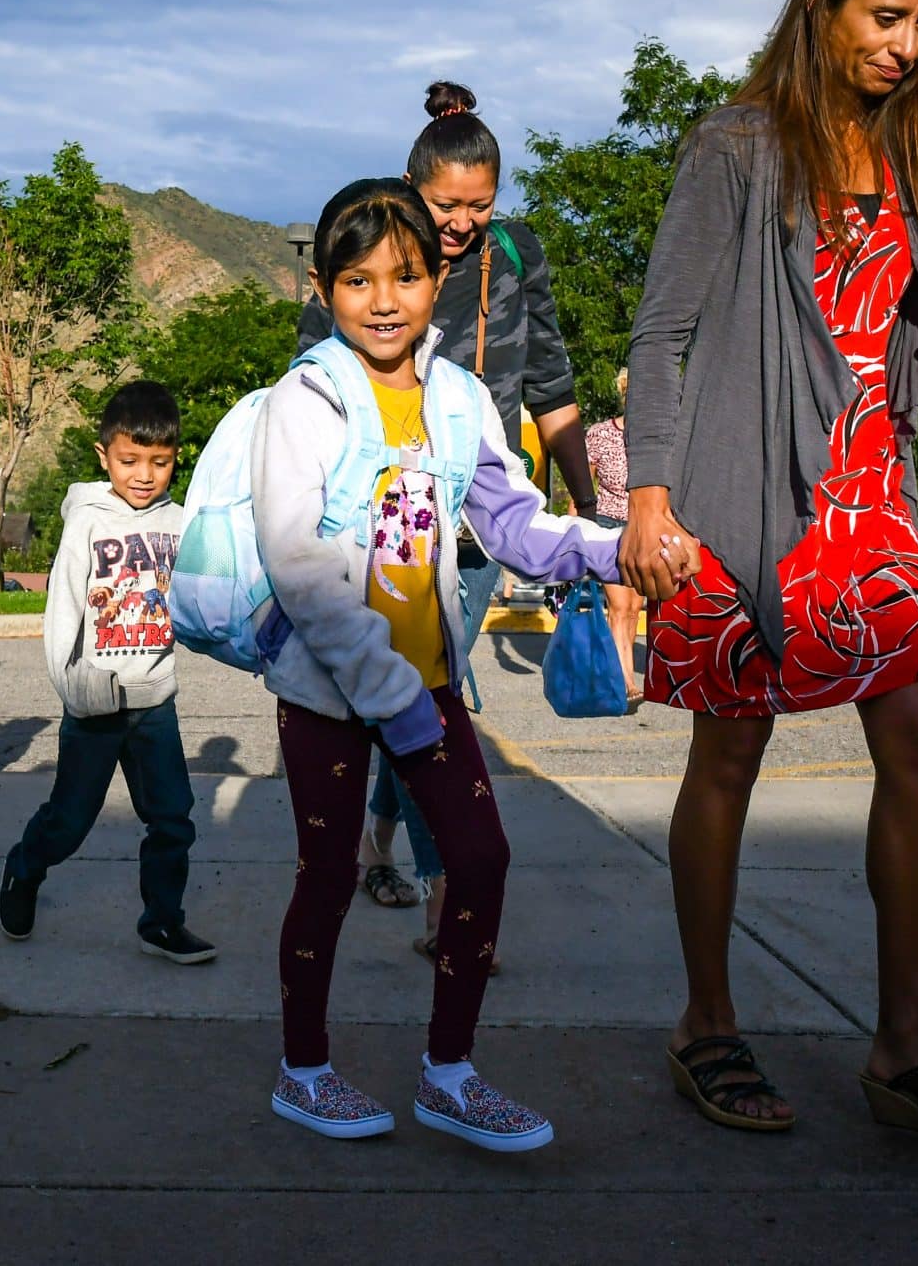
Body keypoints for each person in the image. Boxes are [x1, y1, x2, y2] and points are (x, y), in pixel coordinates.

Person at [621, 0, 918, 1147]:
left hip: (869, 494)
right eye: (886, 16)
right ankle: (705, 1018)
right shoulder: (736, 148)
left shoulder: (909, 158)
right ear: (822, 4)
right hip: (743, 492)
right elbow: (662, 334)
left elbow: (881, 353)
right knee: (731, 752)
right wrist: (648, 497)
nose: (907, 45)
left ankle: (905, 1041)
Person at [253, 178, 683, 1150]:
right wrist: (394, 704)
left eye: (402, 273)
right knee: (324, 876)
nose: (383, 296)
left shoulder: (453, 398)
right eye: (356, 277)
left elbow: (511, 520)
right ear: (324, 288)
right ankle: (303, 1069)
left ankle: (447, 1072)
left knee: (480, 857)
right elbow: (299, 568)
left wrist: (614, 547)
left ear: (432, 276)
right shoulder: (302, 401)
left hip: (428, 678)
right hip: (327, 689)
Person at [299, 83, 596, 954]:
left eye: (479, 204)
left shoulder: (516, 253)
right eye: (444, 205)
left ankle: (380, 838)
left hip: (480, 518)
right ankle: (447, 899)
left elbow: (550, 380)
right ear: (410, 185)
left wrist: (584, 498)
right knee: (431, 699)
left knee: (426, 695)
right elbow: (310, 374)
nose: (461, 223)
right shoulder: (372, 253)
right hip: (387, 522)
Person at [0, 381, 213, 967]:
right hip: (92, 703)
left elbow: (198, 599)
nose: (144, 474)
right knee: (69, 821)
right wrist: (77, 685)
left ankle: (161, 923)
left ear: (175, 459)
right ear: (103, 456)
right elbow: (63, 609)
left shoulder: (182, 522)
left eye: (160, 462)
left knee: (172, 818)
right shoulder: (87, 522)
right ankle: (24, 868)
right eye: (129, 460)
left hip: (154, 703)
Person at [583, 367, 643, 710]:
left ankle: (618, 673)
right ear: (625, 394)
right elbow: (583, 490)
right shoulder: (601, 434)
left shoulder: (655, 436)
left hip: (641, 529)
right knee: (619, 607)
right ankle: (625, 681)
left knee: (634, 607)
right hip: (607, 527)